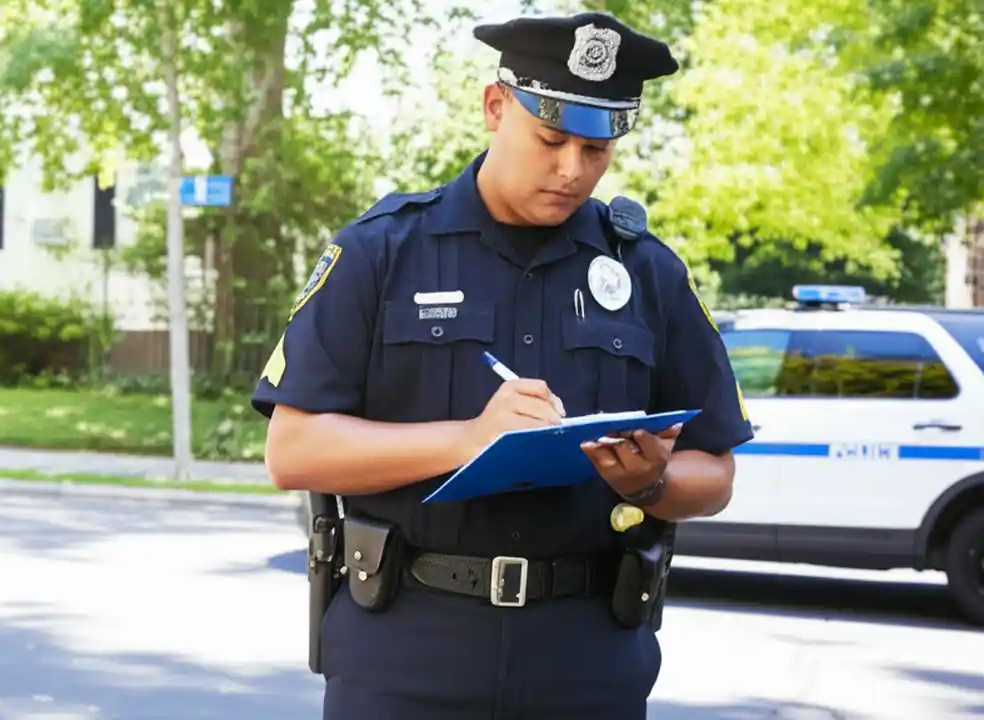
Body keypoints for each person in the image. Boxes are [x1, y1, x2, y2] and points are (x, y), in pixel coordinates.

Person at [250, 11, 753, 720]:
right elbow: (292, 451)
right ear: (495, 107)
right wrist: (468, 439)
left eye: (597, 148)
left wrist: (654, 482)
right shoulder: (382, 252)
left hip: (586, 655)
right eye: (551, 139)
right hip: (406, 647)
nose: (573, 170)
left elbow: (717, 475)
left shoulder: (646, 272)